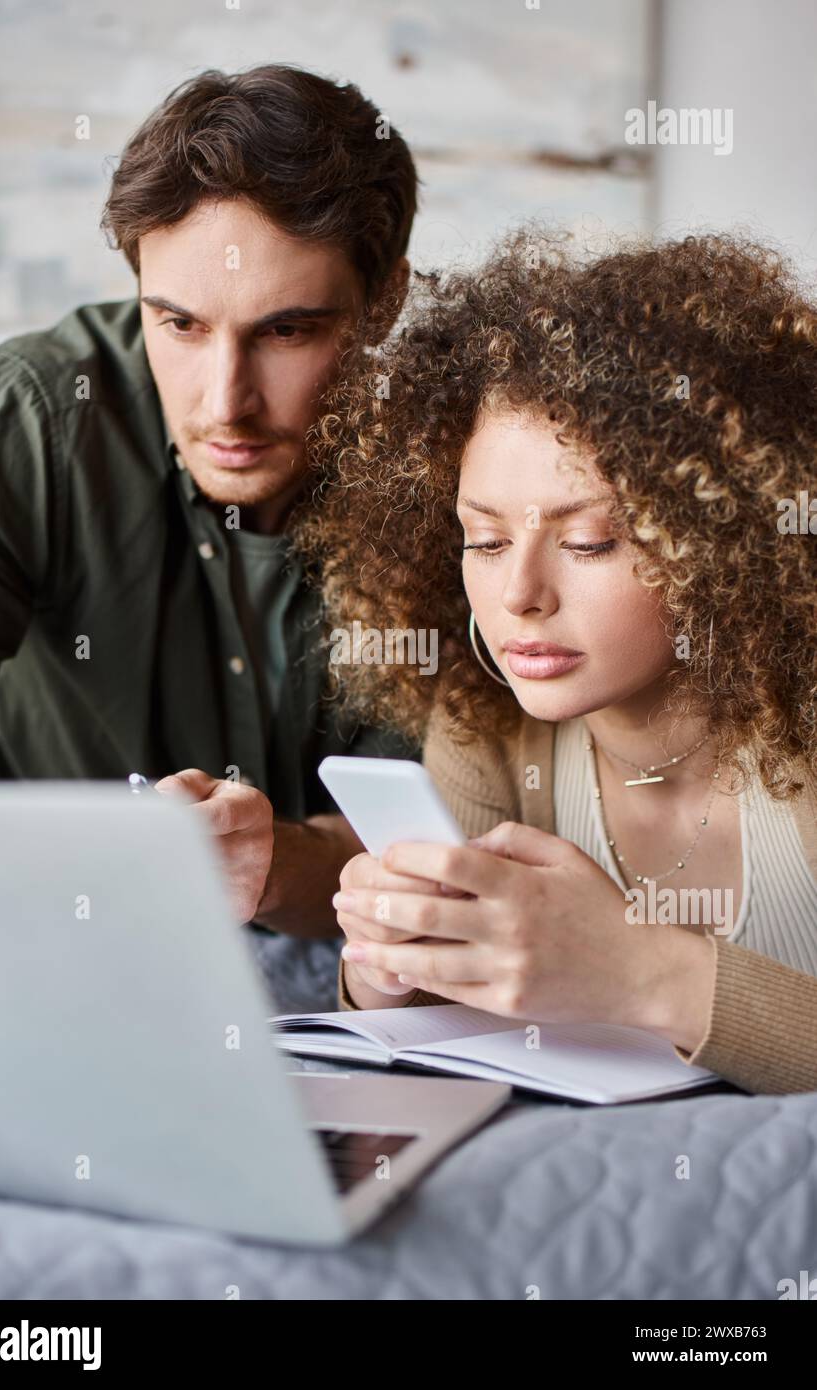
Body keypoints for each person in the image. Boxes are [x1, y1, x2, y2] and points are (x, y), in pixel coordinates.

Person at [296, 228, 817, 1094]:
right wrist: (386, 974)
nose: (519, 595)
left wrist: (639, 968)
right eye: (486, 539)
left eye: (588, 542)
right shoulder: (483, 717)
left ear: (727, 542)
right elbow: (430, 1048)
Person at [0, 65, 420, 936]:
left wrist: (268, 861)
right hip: (62, 949)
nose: (223, 403)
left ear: (383, 304)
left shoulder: (454, 478)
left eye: (286, 331)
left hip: (356, 983)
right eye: (179, 324)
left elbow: (421, 847)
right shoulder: (30, 419)